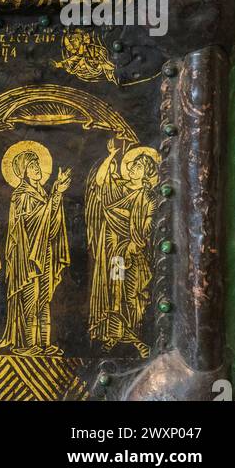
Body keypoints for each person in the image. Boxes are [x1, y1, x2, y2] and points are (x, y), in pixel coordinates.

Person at [86, 141, 158, 358]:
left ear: (146, 172)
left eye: (138, 167)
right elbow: (101, 183)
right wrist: (111, 156)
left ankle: (134, 337)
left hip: (132, 252)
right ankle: (115, 335)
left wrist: (136, 242)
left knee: (131, 293)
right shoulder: (121, 189)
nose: (132, 169)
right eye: (132, 166)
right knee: (115, 291)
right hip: (115, 253)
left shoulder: (147, 196)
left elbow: (149, 223)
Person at [0, 148, 70, 355]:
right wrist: (55, 194)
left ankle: (45, 344)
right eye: (31, 166)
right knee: (31, 298)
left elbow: (51, 224)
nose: (37, 169)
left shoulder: (43, 193)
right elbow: (30, 222)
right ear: (23, 171)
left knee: (44, 299)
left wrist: (56, 195)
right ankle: (28, 344)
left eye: (37, 165)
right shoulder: (20, 195)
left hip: (44, 253)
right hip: (26, 256)